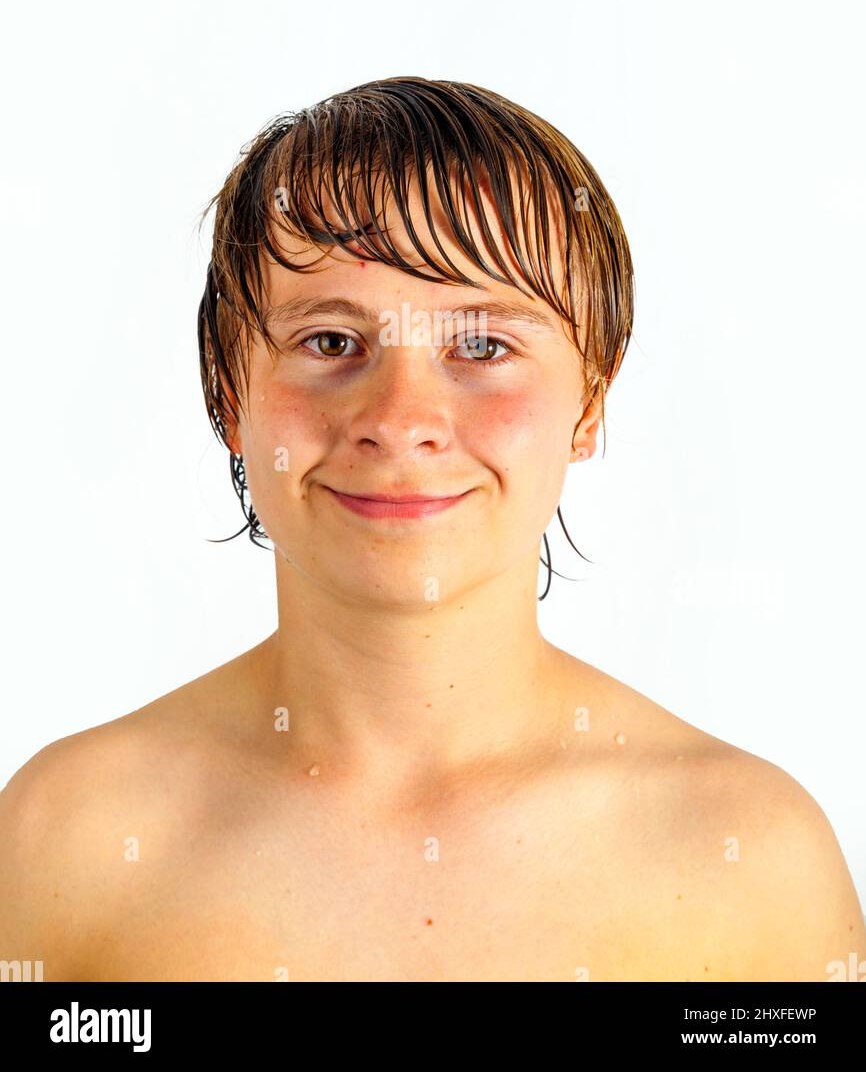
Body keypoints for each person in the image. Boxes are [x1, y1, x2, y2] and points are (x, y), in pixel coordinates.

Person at [1, 76, 863, 982]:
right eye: (332, 342)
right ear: (227, 389)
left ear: (589, 402)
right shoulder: (66, 843)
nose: (402, 418)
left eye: (483, 347)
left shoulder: (751, 860)